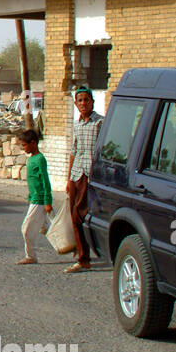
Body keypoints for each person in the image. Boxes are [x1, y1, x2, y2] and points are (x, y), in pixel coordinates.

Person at [64, 86, 103, 273]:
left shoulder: (100, 123)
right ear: (75, 103)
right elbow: (74, 151)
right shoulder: (77, 125)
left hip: (91, 175)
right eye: (80, 100)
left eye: (86, 100)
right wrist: (69, 179)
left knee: (80, 214)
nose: (83, 103)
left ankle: (84, 257)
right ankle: (81, 251)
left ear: (92, 102)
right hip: (77, 175)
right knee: (74, 214)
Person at [16, 128, 54, 265]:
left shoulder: (40, 159)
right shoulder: (32, 159)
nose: (23, 148)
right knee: (49, 229)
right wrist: (30, 197)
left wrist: (47, 201)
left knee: (26, 229)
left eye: (24, 145)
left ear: (33, 143)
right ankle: (68, 245)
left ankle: (31, 256)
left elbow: (45, 181)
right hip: (35, 199)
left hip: (40, 200)